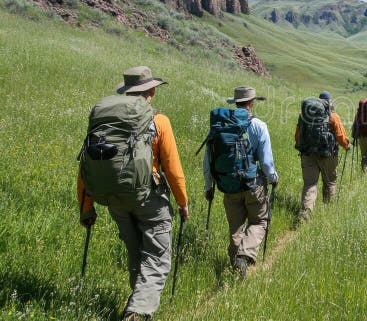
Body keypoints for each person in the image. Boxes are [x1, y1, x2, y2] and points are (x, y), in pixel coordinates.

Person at [77, 66, 189, 321]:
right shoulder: (159, 121)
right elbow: (173, 169)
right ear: (152, 91)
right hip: (150, 198)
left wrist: (86, 207)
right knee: (157, 257)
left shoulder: (105, 122)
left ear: (127, 91)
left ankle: (137, 305)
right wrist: (182, 201)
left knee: (136, 254)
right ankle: (137, 312)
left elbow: (86, 166)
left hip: (115, 199)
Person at [203, 86, 278, 278]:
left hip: (228, 185)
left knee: (235, 226)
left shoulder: (219, 127)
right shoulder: (259, 126)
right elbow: (266, 162)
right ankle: (244, 257)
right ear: (251, 102)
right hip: (253, 184)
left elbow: (208, 160)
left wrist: (209, 186)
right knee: (259, 221)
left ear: (235, 102)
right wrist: (273, 178)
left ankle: (235, 266)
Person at [295, 91, 350, 222]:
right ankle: (328, 212)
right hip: (328, 155)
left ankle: (305, 215)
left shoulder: (304, 116)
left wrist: (303, 147)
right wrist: (347, 146)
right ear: (329, 102)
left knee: (310, 184)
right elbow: (341, 136)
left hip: (307, 154)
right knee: (330, 182)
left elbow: (297, 136)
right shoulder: (333, 116)